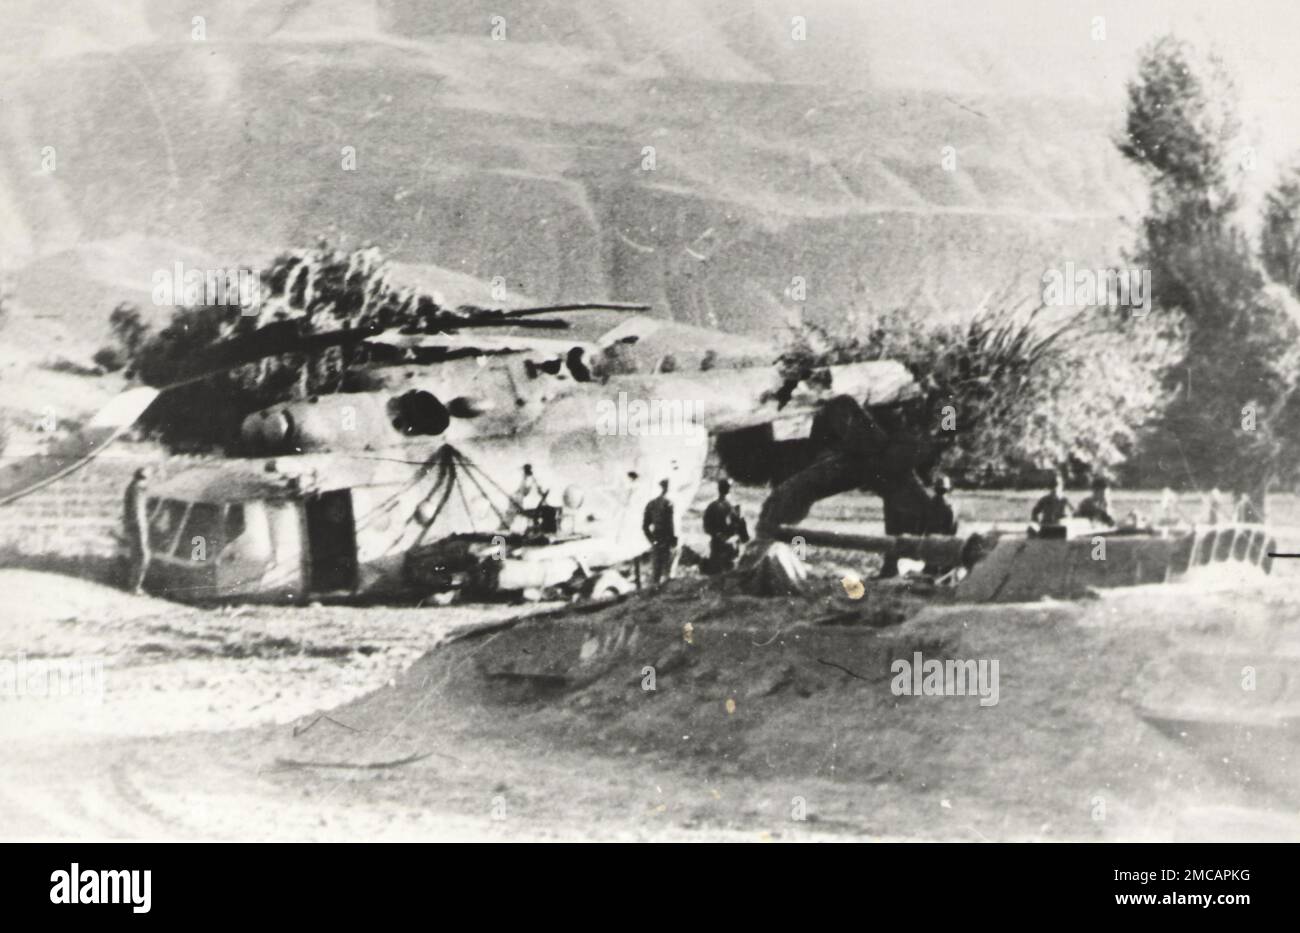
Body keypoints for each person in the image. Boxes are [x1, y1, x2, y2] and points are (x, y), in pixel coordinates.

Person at [702, 478, 749, 573]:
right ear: (730, 489)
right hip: (731, 546)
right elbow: (742, 530)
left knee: (716, 575)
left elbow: (706, 527)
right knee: (729, 576)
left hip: (716, 545)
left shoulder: (711, 506)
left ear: (718, 489)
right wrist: (744, 538)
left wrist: (717, 535)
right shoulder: (735, 507)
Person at [642, 479, 677, 584]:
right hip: (666, 539)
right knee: (668, 573)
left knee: (656, 573)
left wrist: (652, 540)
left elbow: (645, 526)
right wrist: (672, 541)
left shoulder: (651, 504)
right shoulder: (668, 503)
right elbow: (670, 524)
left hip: (657, 539)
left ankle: (655, 592)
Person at [123, 467, 152, 595]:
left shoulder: (131, 486)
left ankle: (133, 585)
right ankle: (136, 586)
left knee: (136, 555)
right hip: (138, 526)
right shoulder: (138, 488)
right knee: (143, 556)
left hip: (132, 525)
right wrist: (141, 527)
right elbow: (138, 510)